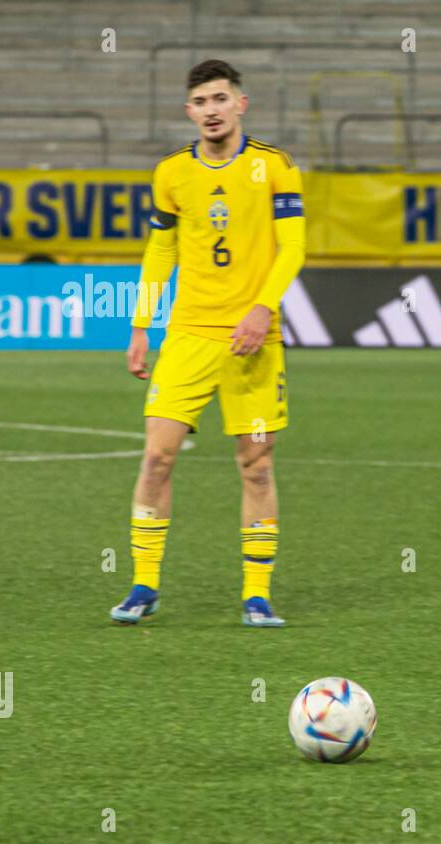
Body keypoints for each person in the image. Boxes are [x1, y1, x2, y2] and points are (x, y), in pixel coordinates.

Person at [111, 59, 305, 628]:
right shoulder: (171, 173)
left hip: (256, 338)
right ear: (189, 110)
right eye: (201, 101)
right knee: (155, 457)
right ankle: (144, 584)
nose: (212, 110)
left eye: (221, 98)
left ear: (240, 104)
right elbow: (161, 250)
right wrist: (141, 325)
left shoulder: (275, 167)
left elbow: (292, 248)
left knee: (257, 466)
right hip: (190, 335)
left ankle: (257, 594)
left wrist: (261, 308)